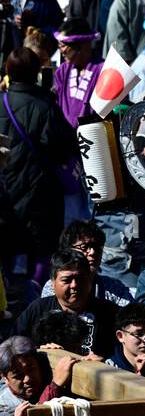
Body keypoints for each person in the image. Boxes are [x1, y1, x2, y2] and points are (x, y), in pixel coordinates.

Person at [0, 47, 79, 275]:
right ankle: (35, 296)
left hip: (5, 190)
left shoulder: (2, 101)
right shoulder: (46, 107)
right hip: (40, 194)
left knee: (6, 246)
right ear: (36, 71)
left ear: (8, 71)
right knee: (41, 250)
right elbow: (66, 147)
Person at [15, 246, 118, 357]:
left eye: (80, 279)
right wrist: (39, 352)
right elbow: (14, 346)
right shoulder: (38, 309)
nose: (74, 285)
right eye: (66, 280)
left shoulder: (110, 313)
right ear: (53, 282)